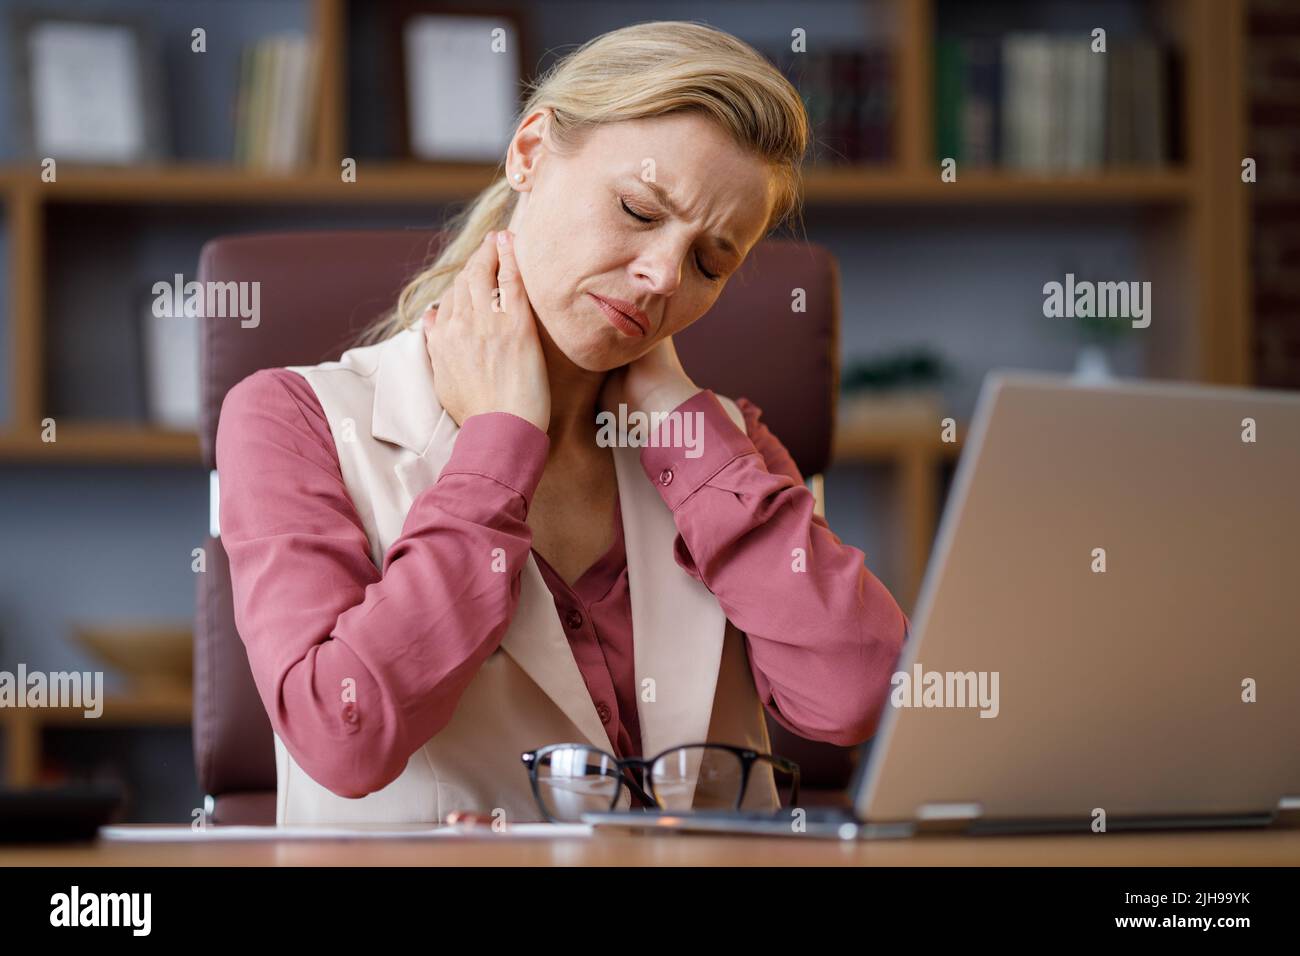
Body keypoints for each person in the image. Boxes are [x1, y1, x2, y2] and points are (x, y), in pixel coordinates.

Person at [215, 21, 908, 825]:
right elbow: (344, 735)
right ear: (532, 151)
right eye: (638, 210)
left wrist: (676, 420)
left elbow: (855, 697)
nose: (661, 278)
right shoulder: (292, 419)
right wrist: (498, 447)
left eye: (710, 262)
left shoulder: (725, 447)